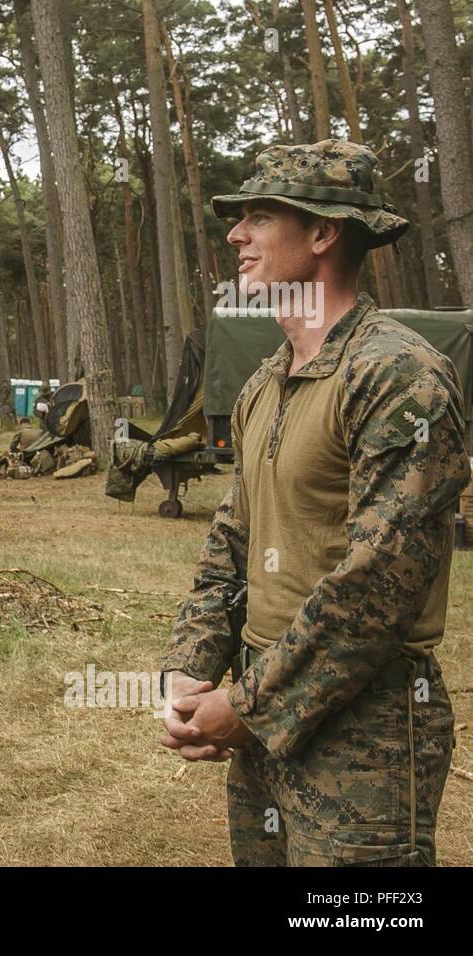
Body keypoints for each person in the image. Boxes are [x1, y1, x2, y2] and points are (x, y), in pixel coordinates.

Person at [159, 140, 468, 866]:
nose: (236, 236)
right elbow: (232, 542)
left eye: (260, 217)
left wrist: (248, 704)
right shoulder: (267, 382)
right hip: (266, 706)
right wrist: (191, 664)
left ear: (325, 232)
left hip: (369, 723)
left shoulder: (398, 376)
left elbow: (379, 584)